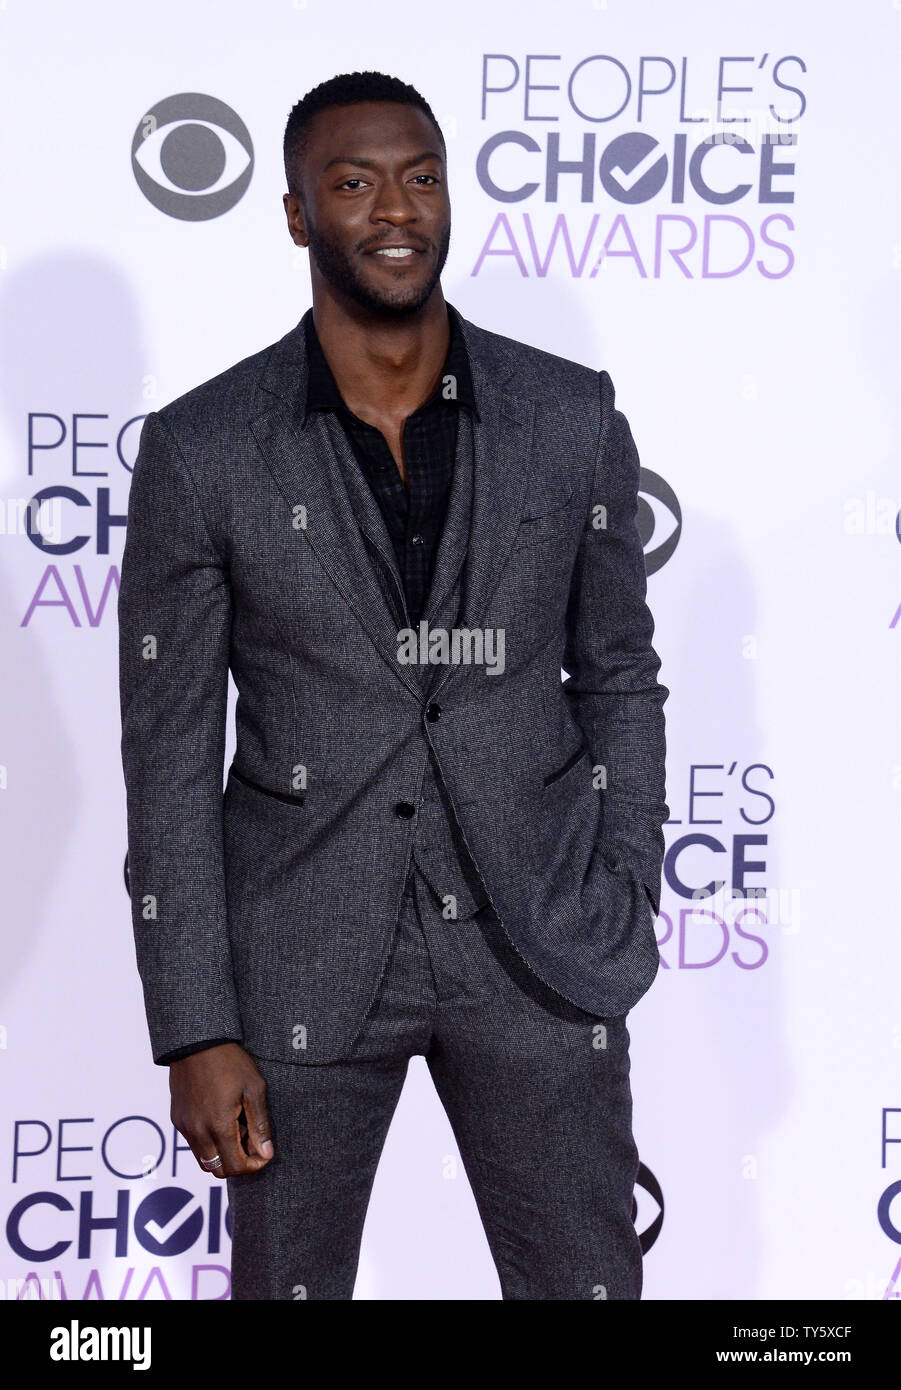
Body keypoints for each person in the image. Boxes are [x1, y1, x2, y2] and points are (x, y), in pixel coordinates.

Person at [118, 69, 669, 1301]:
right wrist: (197, 1022)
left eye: (420, 176)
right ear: (297, 214)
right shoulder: (204, 449)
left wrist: (626, 881)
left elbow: (621, 675)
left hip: (539, 945)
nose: (394, 208)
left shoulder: (567, 415)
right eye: (353, 181)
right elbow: (166, 759)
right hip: (298, 955)